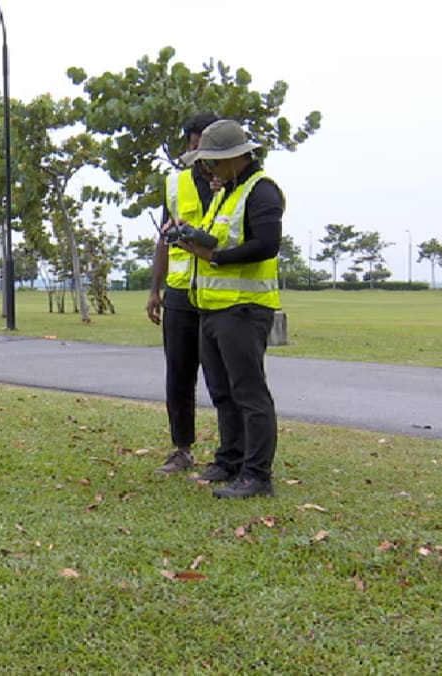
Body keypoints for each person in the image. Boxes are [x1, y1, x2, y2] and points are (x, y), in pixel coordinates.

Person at [179, 119, 284, 499]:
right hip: (213, 309)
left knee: (249, 393)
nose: (207, 168)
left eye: (212, 160)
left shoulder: (262, 191)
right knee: (222, 392)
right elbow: (220, 239)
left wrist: (218, 257)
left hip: (243, 309)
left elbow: (267, 244)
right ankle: (230, 460)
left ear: (234, 157)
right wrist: (191, 237)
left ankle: (257, 475)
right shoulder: (228, 191)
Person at [149, 111, 219, 474]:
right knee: (178, 375)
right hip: (179, 294)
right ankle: (182, 449)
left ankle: (231, 454)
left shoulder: (235, 182)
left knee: (223, 379)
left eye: (206, 148)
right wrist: (154, 290)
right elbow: (164, 238)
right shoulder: (176, 184)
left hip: (221, 296)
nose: (200, 157)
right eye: (194, 147)